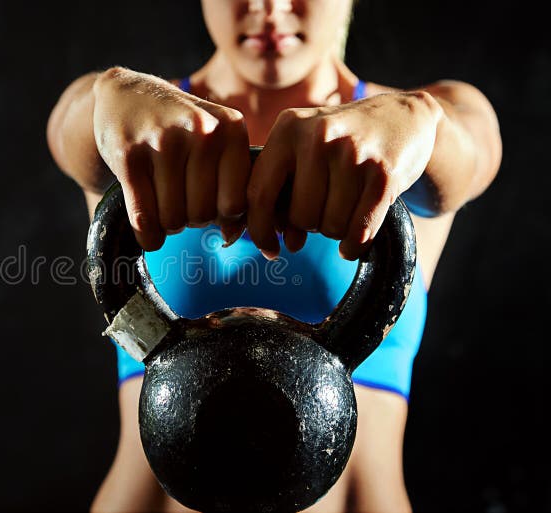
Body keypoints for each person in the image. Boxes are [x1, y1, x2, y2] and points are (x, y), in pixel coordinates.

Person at [47, 1, 502, 511]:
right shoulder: (135, 131)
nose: (269, 7)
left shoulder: (416, 128)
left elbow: (470, 149)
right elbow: (71, 124)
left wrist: (420, 122)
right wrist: (109, 97)